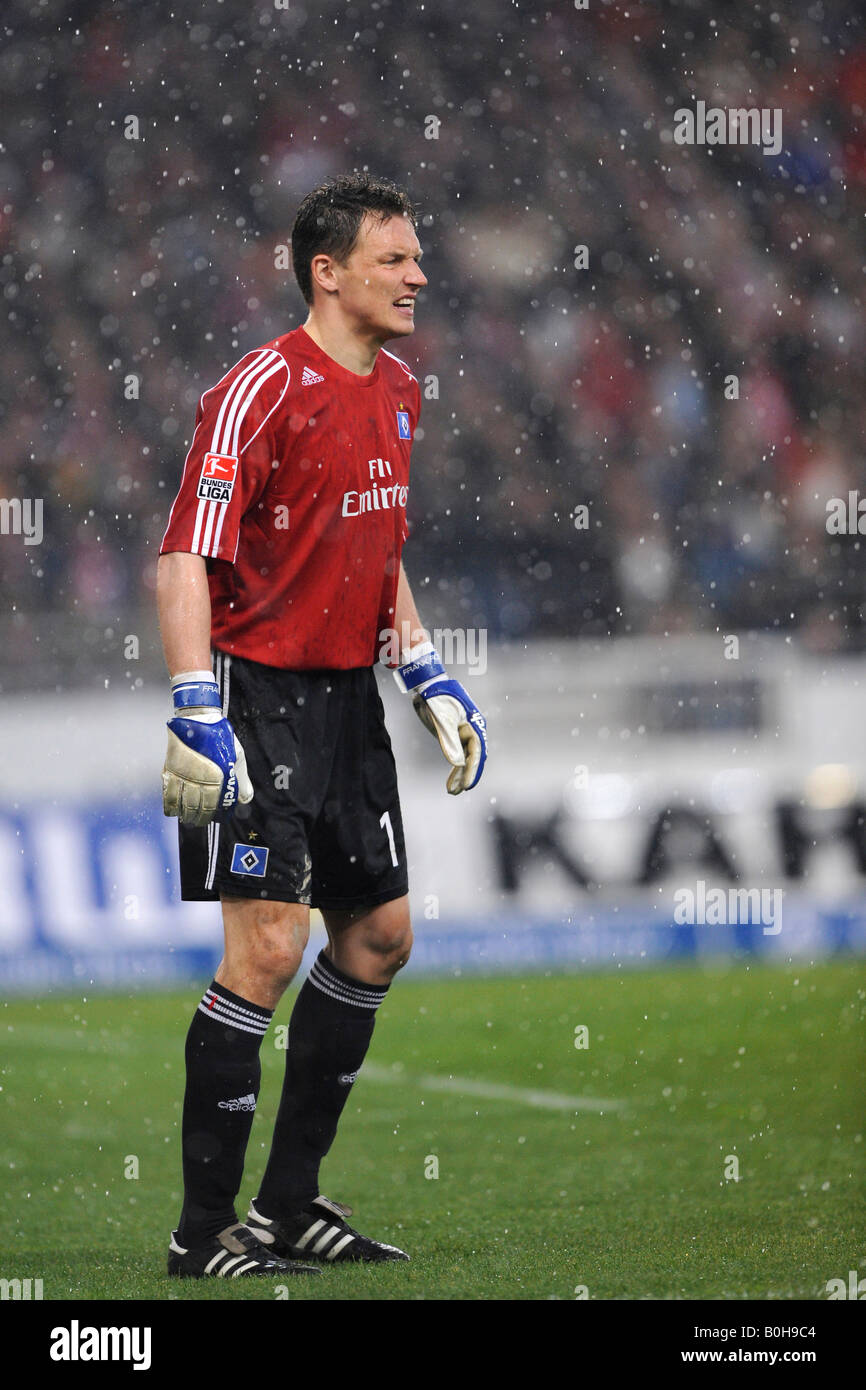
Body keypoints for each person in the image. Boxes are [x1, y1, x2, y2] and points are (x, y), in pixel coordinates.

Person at [156, 172, 488, 1278]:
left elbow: (376, 551)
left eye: (416, 255)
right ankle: (202, 1235)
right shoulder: (254, 389)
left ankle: (290, 1205)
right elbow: (180, 559)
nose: (416, 275)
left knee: (380, 936)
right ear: (327, 271)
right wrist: (193, 701)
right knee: (265, 947)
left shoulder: (399, 388)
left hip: (348, 701)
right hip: (247, 700)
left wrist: (427, 669)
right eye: (394, 259)